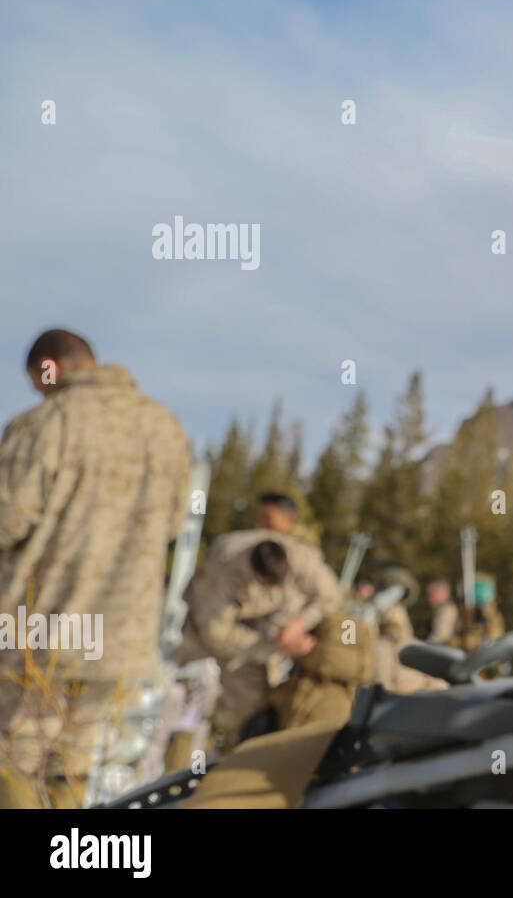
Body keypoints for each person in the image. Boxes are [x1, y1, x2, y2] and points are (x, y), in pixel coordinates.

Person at [0, 329, 191, 807]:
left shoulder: (47, 422)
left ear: (50, 368)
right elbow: (171, 523)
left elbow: (7, 519)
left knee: (14, 757)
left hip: (39, 630)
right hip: (118, 638)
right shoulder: (164, 427)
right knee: (74, 761)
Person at [179, 534, 342, 753]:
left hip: (267, 632)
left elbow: (331, 597)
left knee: (266, 702)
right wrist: (276, 647)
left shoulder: (299, 558)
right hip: (213, 637)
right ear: (250, 567)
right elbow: (218, 636)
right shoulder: (222, 572)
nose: (273, 590)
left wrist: (299, 625)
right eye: (266, 584)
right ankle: (210, 750)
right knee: (226, 707)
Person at [426, 579, 460, 646]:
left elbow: (441, 635)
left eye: (432, 594)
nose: (429, 598)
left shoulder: (446, 610)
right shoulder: (445, 609)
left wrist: (425, 646)